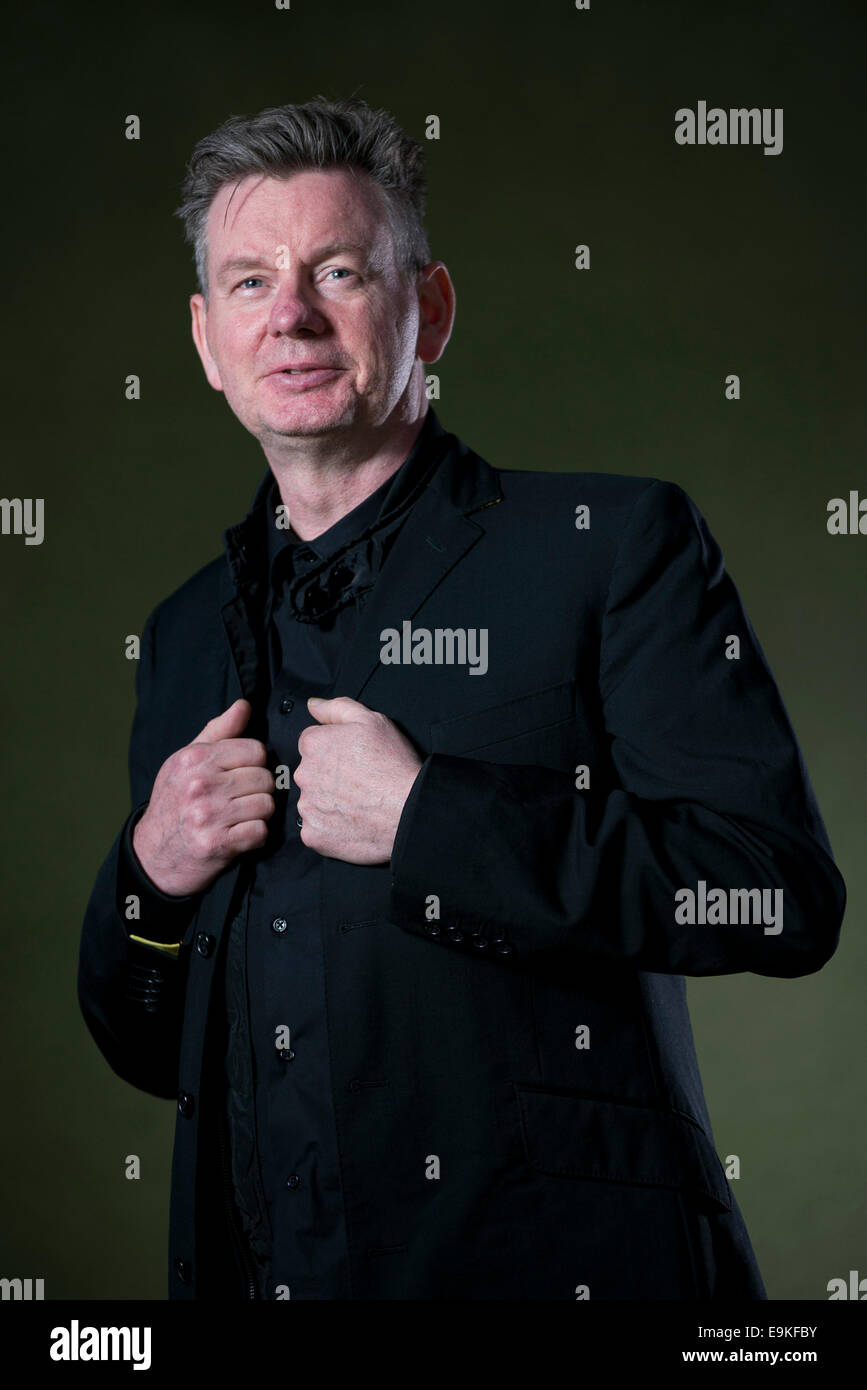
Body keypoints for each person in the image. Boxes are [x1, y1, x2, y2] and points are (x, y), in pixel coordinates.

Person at [78, 95, 846, 1302]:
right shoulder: (183, 638)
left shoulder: (611, 545)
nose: (290, 314)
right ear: (205, 339)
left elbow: (778, 895)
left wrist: (432, 819)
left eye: (337, 269)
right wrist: (149, 873)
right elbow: (151, 1046)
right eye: (248, 283)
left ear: (428, 310)